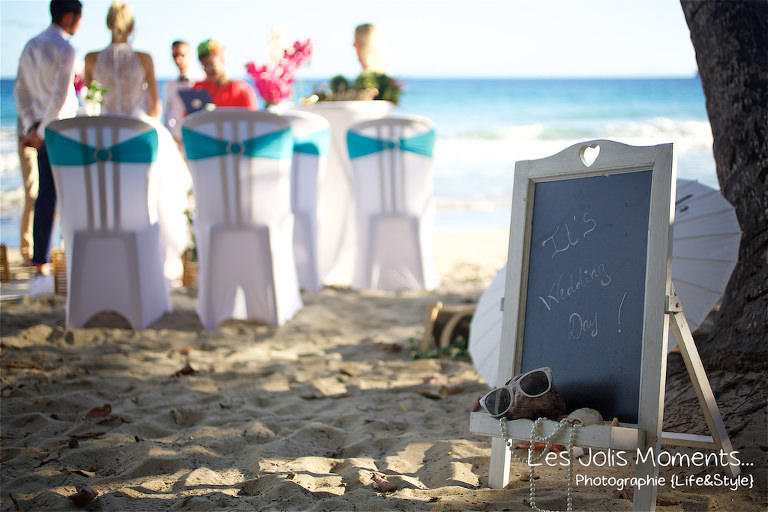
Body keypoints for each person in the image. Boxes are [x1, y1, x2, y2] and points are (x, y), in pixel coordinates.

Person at [82, 1, 191, 284]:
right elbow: (154, 109)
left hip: (105, 141)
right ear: (132, 27)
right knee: (153, 198)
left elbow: (91, 105)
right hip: (139, 138)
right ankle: (152, 260)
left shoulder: (91, 58)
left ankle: (108, 262)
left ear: (108, 24)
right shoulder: (144, 58)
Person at [14, 0, 83, 276]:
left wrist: (33, 126)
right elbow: (61, 95)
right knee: (64, 193)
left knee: (45, 193)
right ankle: (59, 255)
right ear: (69, 16)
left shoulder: (31, 44)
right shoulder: (66, 49)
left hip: (39, 129)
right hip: (60, 130)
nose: (80, 23)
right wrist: (43, 131)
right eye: (79, 17)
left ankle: (41, 257)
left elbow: (20, 90)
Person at [193, 39, 258, 109]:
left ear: (222, 61)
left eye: (212, 65)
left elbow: (252, 117)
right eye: (205, 66)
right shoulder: (199, 89)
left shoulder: (241, 89)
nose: (208, 70)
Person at [163, 40, 200, 144]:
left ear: (191, 55)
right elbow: (167, 116)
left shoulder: (201, 81)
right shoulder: (169, 86)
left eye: (182, 55)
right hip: (176, 140)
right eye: (175, 55)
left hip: (197, 138)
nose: (178, 59)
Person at [16, 120, 39, 266]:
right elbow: (23, 105)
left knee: (53, 196)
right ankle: (28, 252)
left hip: (51, 135)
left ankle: (45, 249)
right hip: (28, 135)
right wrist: (33, 130)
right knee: (32, 195)